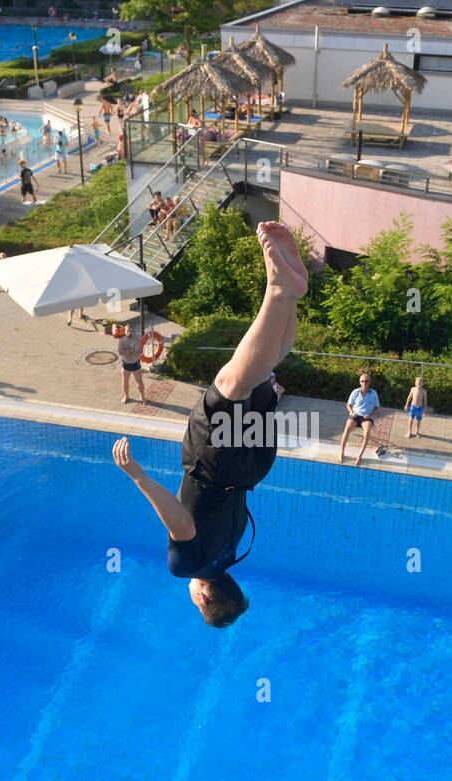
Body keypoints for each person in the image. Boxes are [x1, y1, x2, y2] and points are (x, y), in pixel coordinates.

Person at [110, 222, 307, 628]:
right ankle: (279, 291)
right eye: (198, 605)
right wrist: (139, 477)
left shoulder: (234, 553)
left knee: (255, 374)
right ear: (203, 599)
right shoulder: (188, 569)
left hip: (254, 468)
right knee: (230, 383)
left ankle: (290, 293)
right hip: (217, 468)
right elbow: (181, 524)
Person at [339, 372, 380, 466]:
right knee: (347, 428)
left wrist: (370, 415)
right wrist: (352, 412)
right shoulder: (355, 392)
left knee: (367, 432)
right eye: (362, 381)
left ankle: (360, 455)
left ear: (369, 382)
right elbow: (348, 405)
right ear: (360, 382)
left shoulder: (374, 393)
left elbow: (378, 407)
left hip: (366, 417)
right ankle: (341, 452)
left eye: (366, 381)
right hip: (355, 415)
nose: (364, 383)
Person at [117, 322, 147, 404]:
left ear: (133, 331)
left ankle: (143, 397)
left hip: (135, 364)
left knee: (140, 382)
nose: (129, 333)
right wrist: (131, 350)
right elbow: (120, 352)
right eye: (127, 331)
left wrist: (126, 351)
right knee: (125, 382)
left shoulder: (138, 339)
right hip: (125, 364)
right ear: (125, 331)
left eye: (131, 331)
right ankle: (126, 396)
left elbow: (138, 352)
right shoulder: (122, 340)